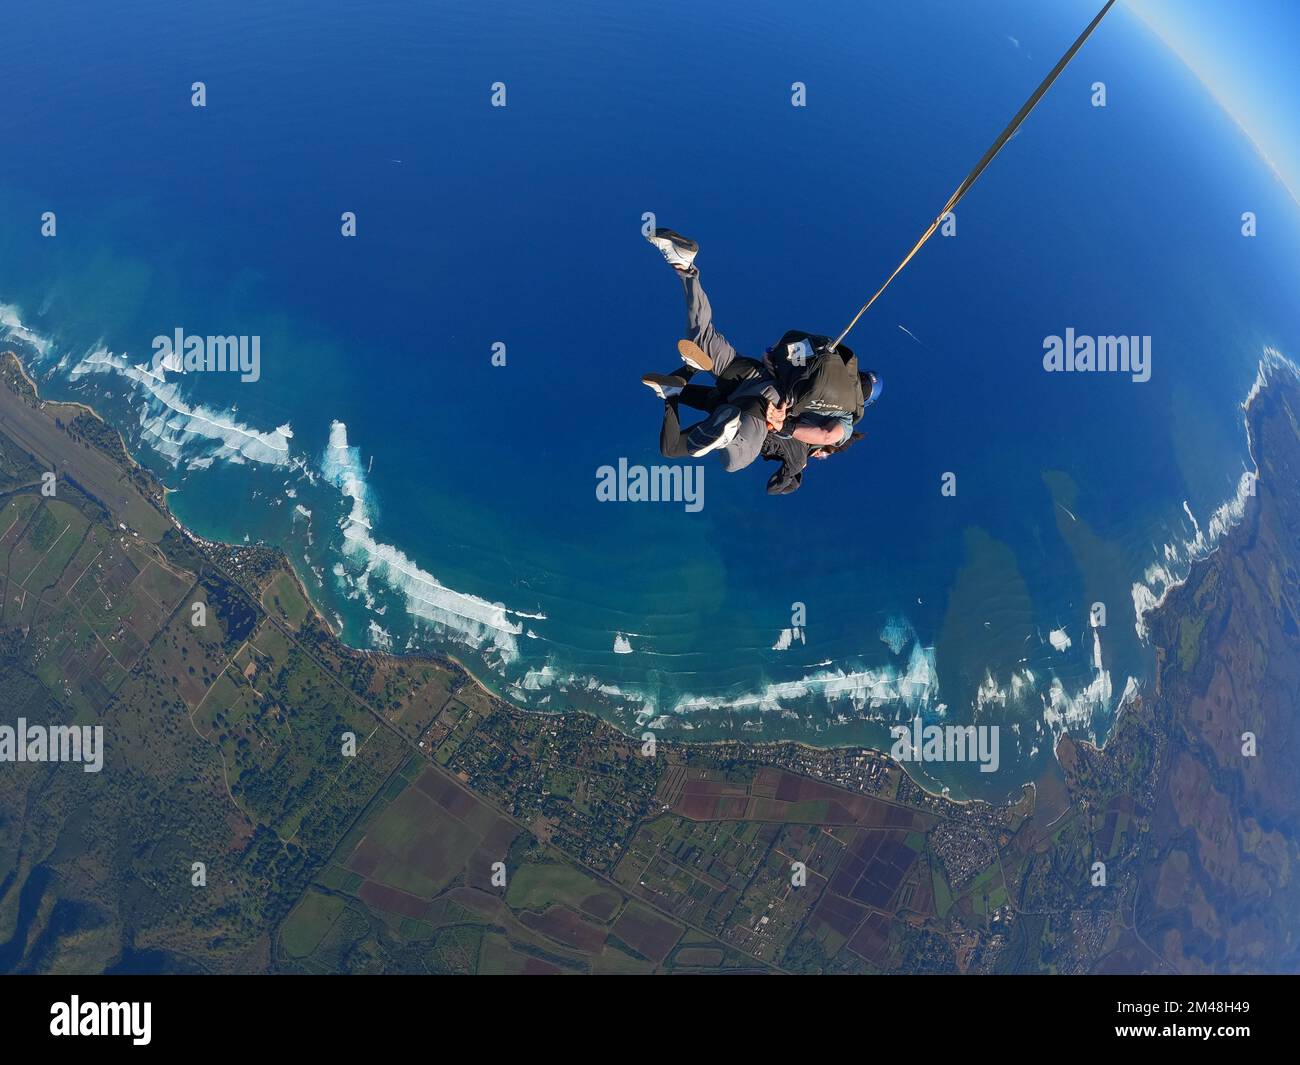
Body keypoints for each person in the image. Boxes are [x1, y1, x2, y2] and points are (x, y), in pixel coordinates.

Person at [643, 227, 881, 477]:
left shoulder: (824, 369)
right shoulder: (846, 417)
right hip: (767, 403)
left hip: (751, 375)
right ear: (864, 400)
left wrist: (772, 356)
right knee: (734, 461)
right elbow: (827, 435)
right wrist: (786, 426)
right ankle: (726, 433)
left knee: (702, 337)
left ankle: (685, 267)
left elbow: (785, 348)